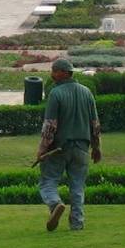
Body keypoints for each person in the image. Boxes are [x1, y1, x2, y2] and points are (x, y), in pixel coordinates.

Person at [36, 59, 102, 232]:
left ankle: (55, 204)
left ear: (64, 73)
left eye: (54, 71)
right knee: (78, 186)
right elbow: (95, 124)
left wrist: (42, 149)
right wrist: (96, 148)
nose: (52, 74)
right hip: (82, 148)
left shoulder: (56, 93)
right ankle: (77, 224)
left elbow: (50, 125)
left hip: (59, 148)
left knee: (48, 181)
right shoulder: (87, 92)